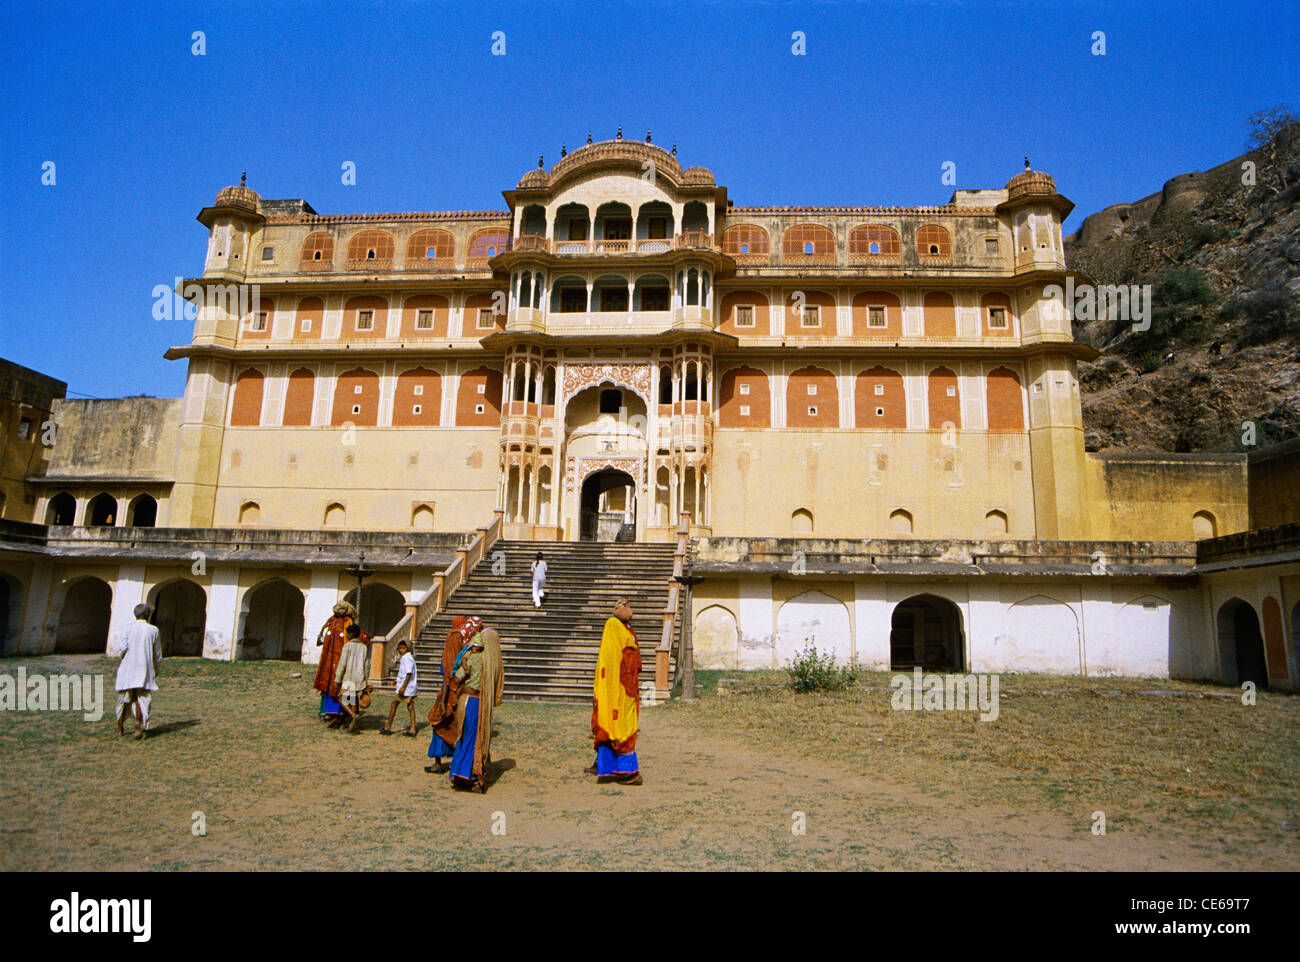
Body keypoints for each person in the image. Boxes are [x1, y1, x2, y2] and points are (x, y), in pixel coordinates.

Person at [590, 598, 642, 785]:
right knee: (618, 726)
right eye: (626, 607)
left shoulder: (627, 629)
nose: (630, 611)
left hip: (625, 687)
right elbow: (612, 659)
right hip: (616, 686)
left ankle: (605, 768)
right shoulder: (613, 626)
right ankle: (625, 772)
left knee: (615, 724)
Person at [447, 627, 504, 792]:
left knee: (466, 737)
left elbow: (457, 678)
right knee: (475, 737)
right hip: (480, 702)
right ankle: (469, 772)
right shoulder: (492, 662)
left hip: (468, 701)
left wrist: (463, 666)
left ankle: (462, 773)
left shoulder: (472, 658)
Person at [425, 615, 483, 773]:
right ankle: (457, 762)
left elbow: (448, 677)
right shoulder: (471, 655)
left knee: (440, 725)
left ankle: (441, 763)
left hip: (454, 693)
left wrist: (444, 701)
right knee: (460, 730)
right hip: (465, 695)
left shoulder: (461, 655)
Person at [114, 603, 163, 740]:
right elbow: (157, 653)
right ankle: (138, 725)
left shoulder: (127, 628)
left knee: (124, 698)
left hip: (128, 667)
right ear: (146, 614)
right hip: (144, 668)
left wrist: (125, 662)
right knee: (142, 698)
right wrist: (156, 668)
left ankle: (120, 727)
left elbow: (122, 649)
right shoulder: (153, 630)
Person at [314, 602, 355, 723]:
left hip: (340, 660)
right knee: (330, 682)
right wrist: (323, 628)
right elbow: (320, 641)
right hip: (330, 660)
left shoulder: (345, 622)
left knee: (339, 683)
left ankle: (342, 712)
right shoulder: (333, 622)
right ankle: (334, 712)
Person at [333, 624, 372, 734]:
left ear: (350, 634)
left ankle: (353, 715)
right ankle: (353, 724)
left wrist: (337, 679)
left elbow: (342, 664)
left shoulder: (347, 646)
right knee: (354, 700)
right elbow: (366, 665)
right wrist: (365, 680)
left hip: (349, 677)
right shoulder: (364, 647)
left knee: (342, 699)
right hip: (359, 678)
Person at [380, 640, 418, 736]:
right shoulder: (406, 658)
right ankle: (412, 728)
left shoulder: (407, 658)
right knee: (410, 706)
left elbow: (409, 673)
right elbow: (404, 672)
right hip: (407, 687)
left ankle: (388, 727)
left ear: (407, 648)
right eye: (400, 648)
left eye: (403, 648)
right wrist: (397, 680)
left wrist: (403, 687)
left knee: (394, 704)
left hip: (406, 688)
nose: (401, 650)